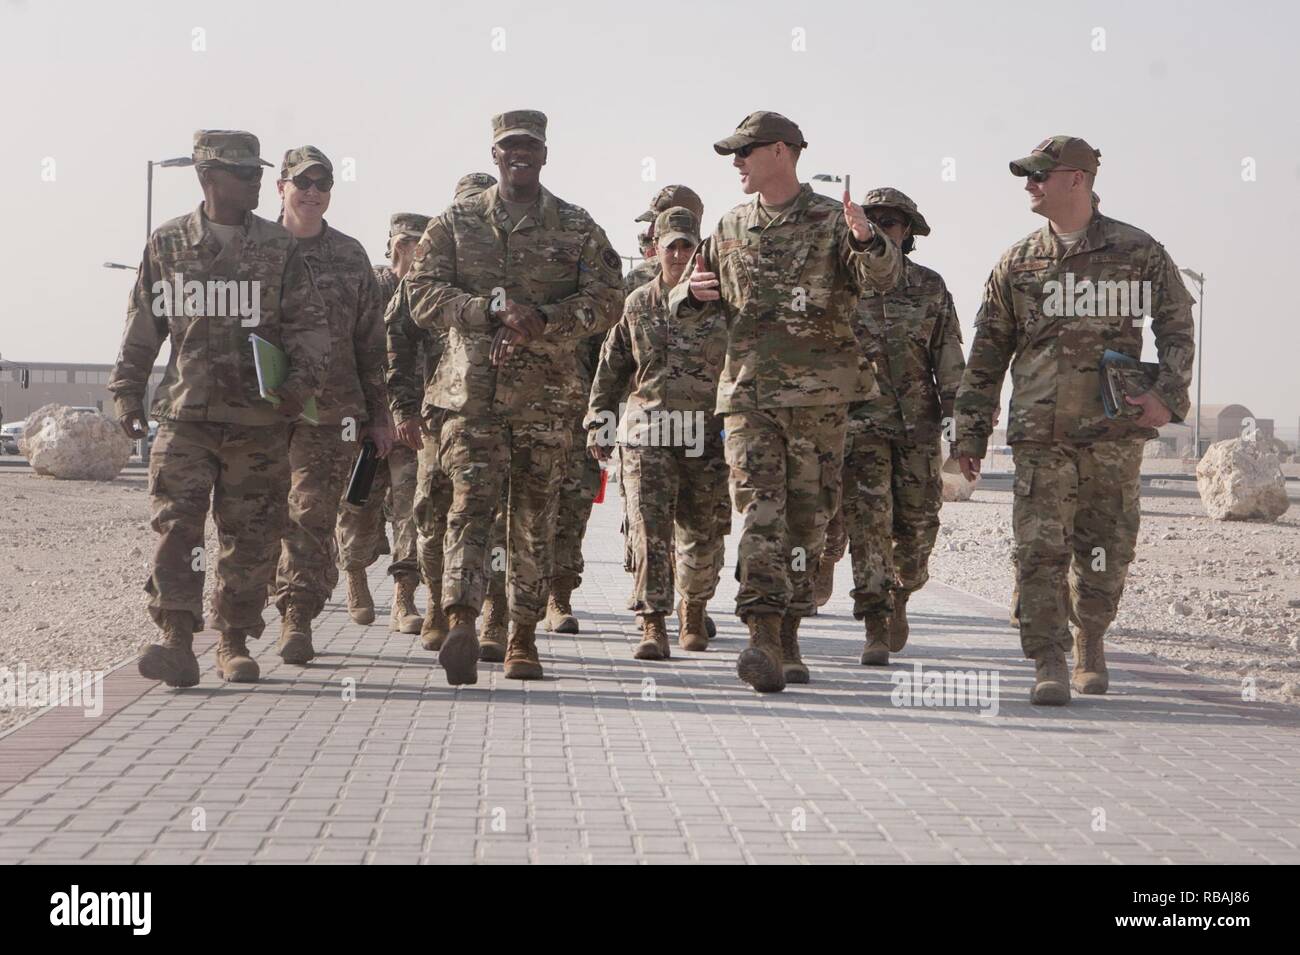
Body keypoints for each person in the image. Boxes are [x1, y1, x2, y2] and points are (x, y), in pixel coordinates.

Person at [953, 136, 1195, 704]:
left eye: (1040, 175)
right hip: (1039, 434)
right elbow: (987, 353)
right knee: (1037, 549)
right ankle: (1049, 658)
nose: (1030, 185)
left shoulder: (1138, 252)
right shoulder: (1016, 263)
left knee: (1106, 547)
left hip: (1112, 432)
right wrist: (969, 430)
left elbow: (1177, 322)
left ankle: (1092, 638)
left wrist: (1168, 394)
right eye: (1027, 176)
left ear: (1077, 180)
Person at [675, 111, 902, 691]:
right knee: (758, 512)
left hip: (820, 400)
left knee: (809, 519)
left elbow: (883, 279)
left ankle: (792, 632)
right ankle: (763, 634)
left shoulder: (834, 222)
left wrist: (866, 239)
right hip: (750, 396)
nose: (736, 163)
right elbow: (691, 298)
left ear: (781, 151)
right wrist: (690, 295)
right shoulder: (726, 228)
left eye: (744, 151)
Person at [405, 110, 623, 684]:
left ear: (545, 155)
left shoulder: (576, 227)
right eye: (508, 147)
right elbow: (422, 296)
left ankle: (522, 639)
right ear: (493, 155)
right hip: (469, 402)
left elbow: (607, 300)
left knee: (531, 521)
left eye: (529, 147)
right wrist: (488, 309)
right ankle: (460, 618)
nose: (519, 155)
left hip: (545, 405)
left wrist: (543, 320)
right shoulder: (454, 223)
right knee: (467, 513)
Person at [110, 130, 329, 686]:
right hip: (185, 415)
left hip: (259, 420)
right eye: (243, 173)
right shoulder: (168, 244)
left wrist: (299, 386)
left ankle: (233, 641)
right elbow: (144, 325)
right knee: (177, 528)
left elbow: (309, 326)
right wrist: (126, 393)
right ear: (208, 178)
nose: (257, 181)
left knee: (250, 534)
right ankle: (177, 639)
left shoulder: (279, 249)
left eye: (258, 171)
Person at [587, 207, 729, 657]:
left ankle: (693, 610)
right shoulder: (638, 304)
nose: (680, 254)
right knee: (649, 530)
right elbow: (612, 369)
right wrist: (599, 422)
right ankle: (652, 623)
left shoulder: (721, 303)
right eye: (672, 247)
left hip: (703, 433)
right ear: (657, 250)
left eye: (688, 246)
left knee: (702, 529)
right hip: (647, 432)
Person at [837, 187, 965, 665]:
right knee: (869, 525)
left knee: (917, 529)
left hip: (917, 427)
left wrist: (962, 422)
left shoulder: (929, 287)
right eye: (874, 220)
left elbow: (949, 359)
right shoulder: (843, 283)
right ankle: (874, 620)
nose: (883, 227)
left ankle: (901, 595)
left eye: (893, 222)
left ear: (907, 231)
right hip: (859, 427)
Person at [273, 146, 391, 663]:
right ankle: (237, 607)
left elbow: (371, 340)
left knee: (312, 514)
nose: (313, 191)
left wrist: (379, 413)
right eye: (303, 182)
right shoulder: (256, 248)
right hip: (259, 408)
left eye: (323, 184)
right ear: (281, 186)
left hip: (332, 411)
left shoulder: (349, 255)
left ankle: (297, 617)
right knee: (250, 513)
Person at [333, 213, 428, 633]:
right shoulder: (371, 286)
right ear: (390, 245)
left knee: (411, 511)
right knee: (358, 506)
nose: (410, 250)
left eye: (418, 243)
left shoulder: (430, 293)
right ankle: (354, 578)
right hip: (369, 421)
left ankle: (404, 597)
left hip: (413, 421)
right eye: (404, 243)